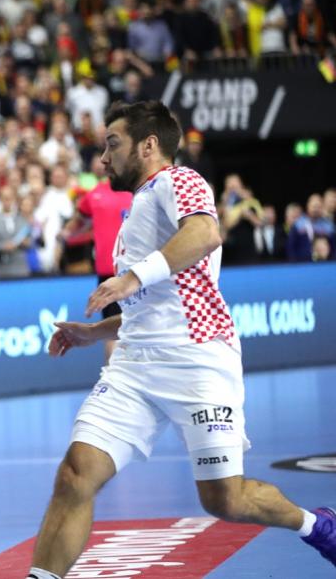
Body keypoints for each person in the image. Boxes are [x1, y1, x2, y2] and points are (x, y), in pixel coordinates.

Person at [26, 100, 336, 579]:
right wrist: (94, 333)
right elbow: (155, 305)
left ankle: (316, 526)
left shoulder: (180, 180)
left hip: (197, 361)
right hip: (134, 366)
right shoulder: (136, 211)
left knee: (225, 500)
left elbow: (206, 233)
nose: (103, 158)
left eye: (113, 144)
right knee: (75, 473)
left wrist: (130, 278)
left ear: (148, 145)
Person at [70, 156, 132, 360]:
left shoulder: (134, 193)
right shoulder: (96, 195)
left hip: (128, 272)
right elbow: (80, 222)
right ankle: (113, 374)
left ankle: (113, 375)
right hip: (121, 272)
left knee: (115, 332)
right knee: (118, 332)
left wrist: (67, 234)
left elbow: (78, 223)